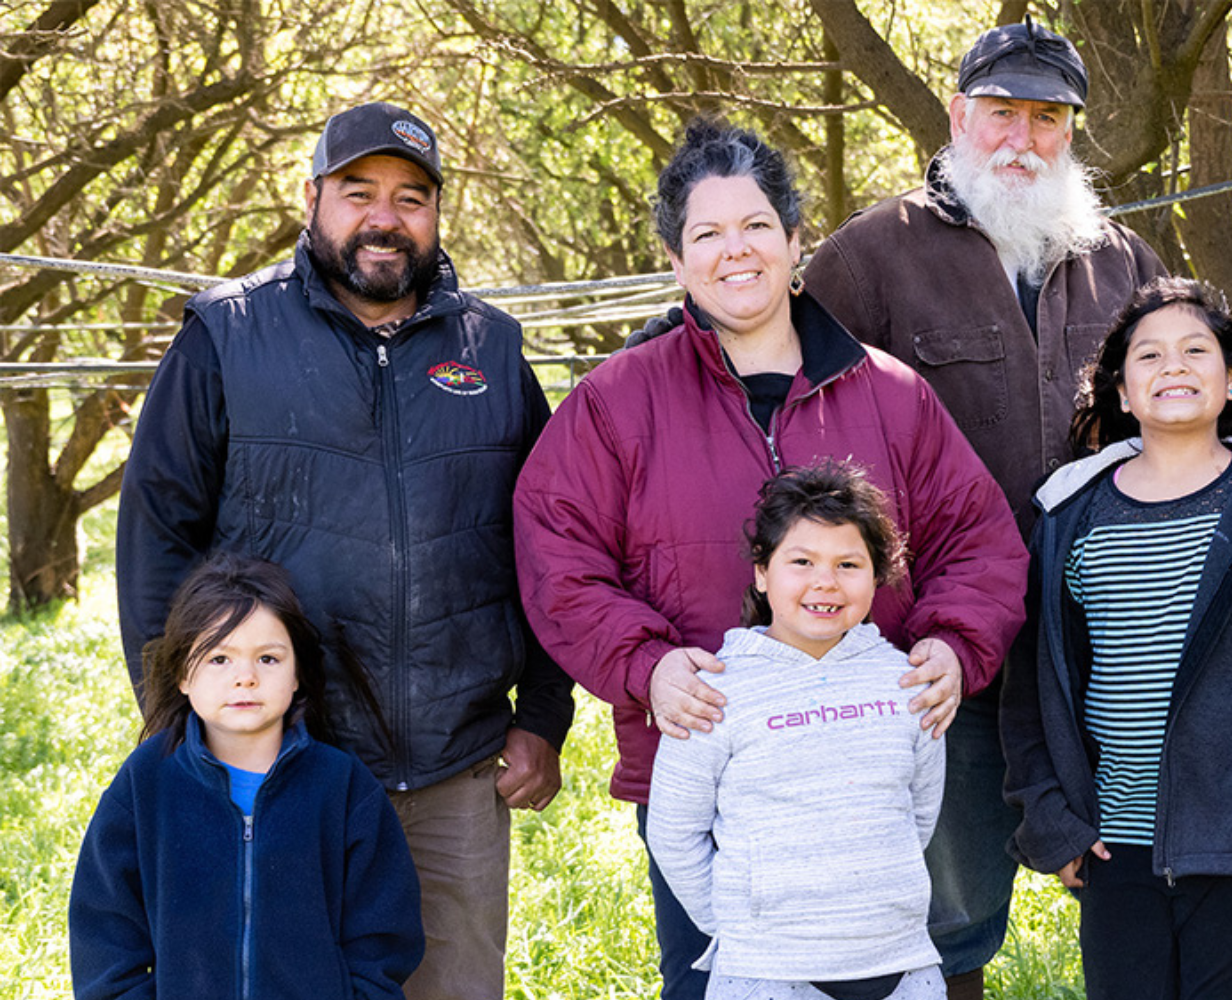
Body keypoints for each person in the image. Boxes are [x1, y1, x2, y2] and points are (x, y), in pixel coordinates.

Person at [511, 119, 1027, 1000]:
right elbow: (557, 555)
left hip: (869, 772)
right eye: (706, 234)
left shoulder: (892, 394)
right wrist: (645, 666)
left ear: (795, 242)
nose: (734, 251)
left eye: (756, 226)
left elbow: (977, 541)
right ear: (676, 262)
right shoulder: (616, 403)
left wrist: (953, 642)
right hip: (708, 764)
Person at [114, 102, 574, 1000]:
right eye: (357, 191)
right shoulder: (227, 336)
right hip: (278, 761)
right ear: (315, 199)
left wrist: (545, 714)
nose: (384, 216)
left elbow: (548, 539)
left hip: (455, 768)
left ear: (438, 213)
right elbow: (156, 537)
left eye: (411, 196)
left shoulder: (493, 349)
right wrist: (179, 722)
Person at [797, 22, 1168, 995]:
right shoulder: (867, 259)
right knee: (941, 915)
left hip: (1100, 648)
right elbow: (802, 452)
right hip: (939, 654)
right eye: (1000, 112)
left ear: (1070, 132)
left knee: (1128, 885)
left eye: (1045, 117)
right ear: (959, 115)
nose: (1021, 137)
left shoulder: (1121, 262)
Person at [1000, 279, 1232, 1000]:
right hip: (1112, 844)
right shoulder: (1068, 514)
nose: (1174, 367)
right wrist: (1054, 823)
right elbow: (1032, 686)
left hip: (1231, 848)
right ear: (1122, 392)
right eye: (1149, 356)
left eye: (1195, 351)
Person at [646, 461, 948, 1000]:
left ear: (878, 573)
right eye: (801, 561)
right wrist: (741, 926)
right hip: (765, 972)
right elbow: (673, 831)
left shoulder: (906, 681)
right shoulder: (714, 689)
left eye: (848, 564)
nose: (824, 582)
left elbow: (920, 812)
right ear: (762, 572)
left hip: (902, 964)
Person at [71, 552, 425, 1000]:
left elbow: (384, 936)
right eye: (219, 659)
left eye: (269, 659)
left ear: (298, 673)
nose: (246, 678)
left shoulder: (343, 787)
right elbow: (104, 928)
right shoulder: (145, 785)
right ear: (183, 673)